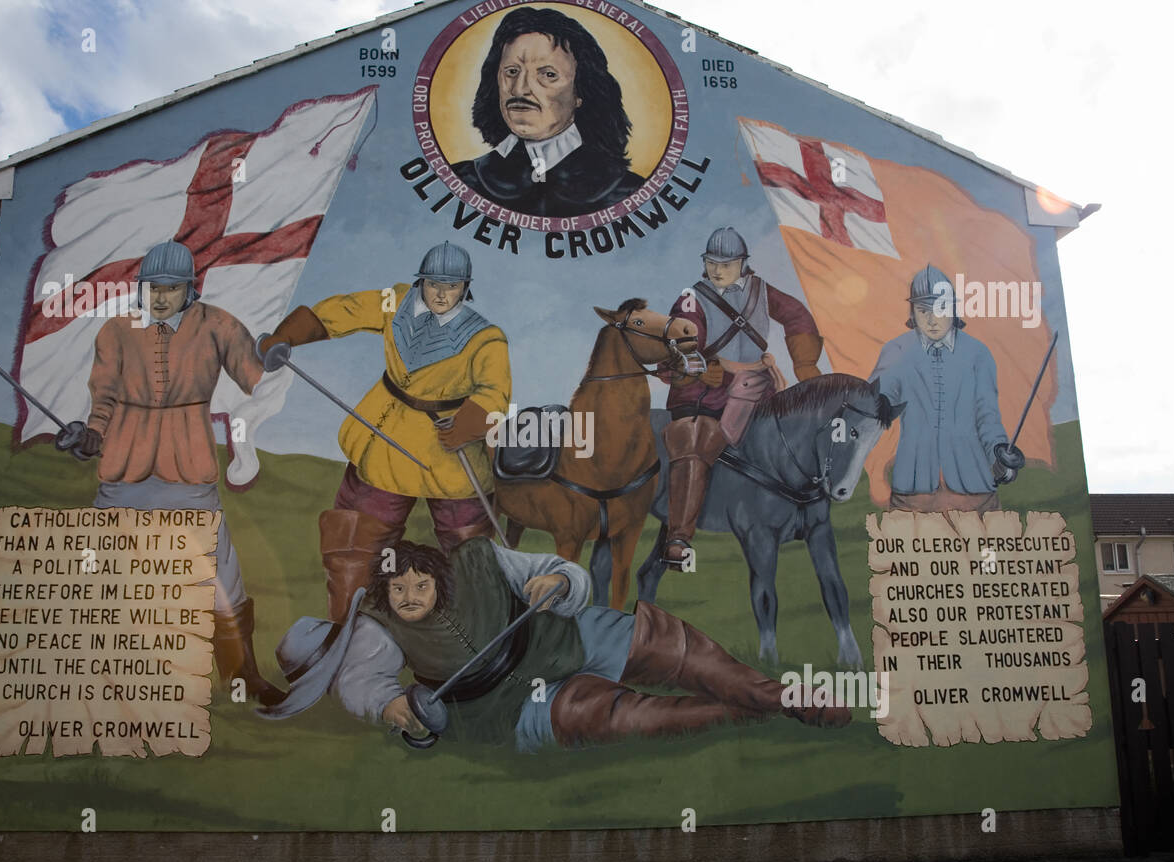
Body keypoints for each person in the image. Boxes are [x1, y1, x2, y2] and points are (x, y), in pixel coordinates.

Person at [259, 538, 849, 751]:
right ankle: (742, 716)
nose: (411, 595)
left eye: (420, 583)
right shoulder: (378, 630)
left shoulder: (481, 558)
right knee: (615, 716)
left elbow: (551, 567)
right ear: (385, 595)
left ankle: (780, 697)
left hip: (559, 633)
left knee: (670, 646)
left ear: (437, 573)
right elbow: (365, 682)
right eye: (400, 590)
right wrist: (391, 707)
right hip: (505, 706)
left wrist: (559, 580)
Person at [58, 240, 285, 705]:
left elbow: (253, 375)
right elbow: (102, 396)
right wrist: (92, 437)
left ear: (190, 289)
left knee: (221, 572)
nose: (160, 297)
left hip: (190, 461)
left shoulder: (217, 324)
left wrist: (272, 358)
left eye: (171, 288)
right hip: (126, 460)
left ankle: (243, 677)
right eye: (152, 288)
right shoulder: (117, 330)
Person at [258, 242, 511, 621]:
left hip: (450, 451)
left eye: (452, 286)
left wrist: (467, 424)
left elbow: (495, 392)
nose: (442, 294)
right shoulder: (396, 303)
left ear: (465, 287)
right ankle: (345, 630)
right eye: (433, 284)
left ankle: (480, 636)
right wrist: (286, 336)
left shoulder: (485, 337)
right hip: (387, 444)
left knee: (471, 555)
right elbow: (343, 312)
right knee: (354, 548)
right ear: (421, 281)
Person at [659, 226, 826, 567]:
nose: (717, 270)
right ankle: (679, 538)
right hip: (706, 389)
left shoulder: (762, 290)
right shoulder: (692, 297)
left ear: (743, 263)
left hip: (758, 387)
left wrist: (805, 364)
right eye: (711, 262)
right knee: (696, 439)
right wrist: (703, 366)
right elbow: (684, 337)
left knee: (790, 436)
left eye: (726, 263)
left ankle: (801, 514)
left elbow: (797, 316)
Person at [449, 7, 645, 218]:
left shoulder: (626, 192)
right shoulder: (461, 179)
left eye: (548, 74)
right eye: (512, 72)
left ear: (581, 91)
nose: (520, 89)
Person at [868, 264, 1025, 513]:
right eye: (923, 310)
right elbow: (873, 404)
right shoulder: (896, 351)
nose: (932, 320)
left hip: (974, 487)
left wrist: (998, 456)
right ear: (913, 312)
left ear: (953, 308)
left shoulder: (978, 354)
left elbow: (988, 416)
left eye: (940, 309)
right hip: (913, 488)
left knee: (984, 551)